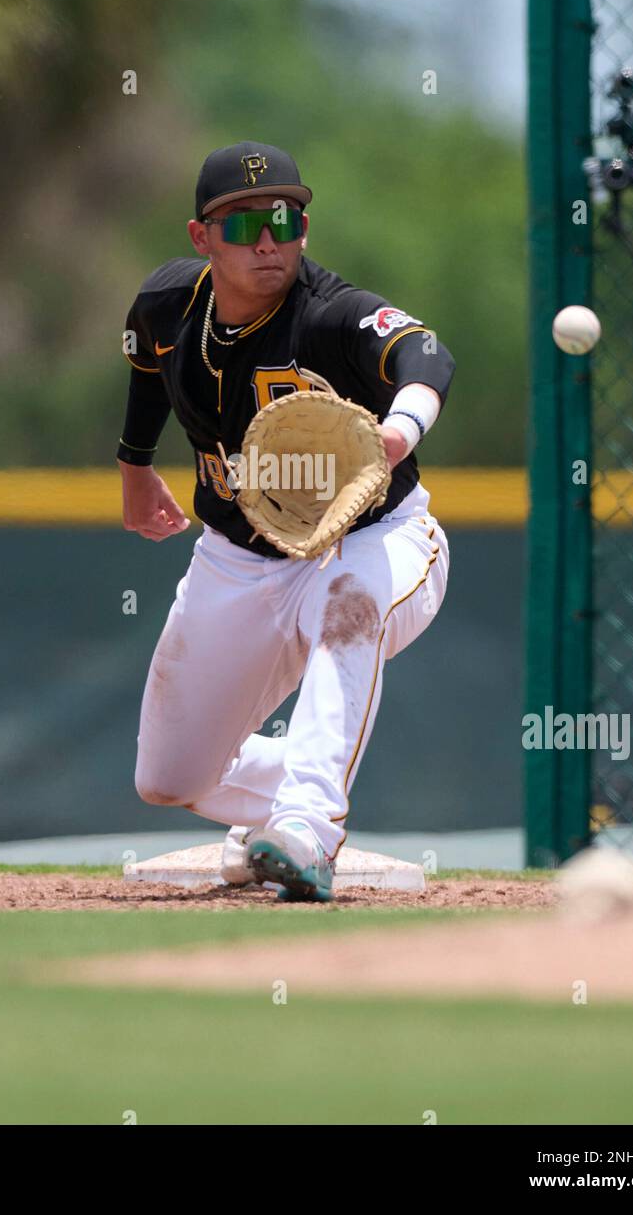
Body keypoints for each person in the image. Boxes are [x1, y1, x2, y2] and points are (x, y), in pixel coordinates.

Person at [118, 141, 454, 901]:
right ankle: (292, 787)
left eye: (285, 218)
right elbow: (146, 356)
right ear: (201, 238)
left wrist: (400, 427)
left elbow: (428, 352)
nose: (268, 239)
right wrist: (135, 466)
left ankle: (308, 828)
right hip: (238, 557)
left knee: (348, 610)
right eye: (242, 226)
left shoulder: (330, 312)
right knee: (169, 778)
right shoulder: (170, 301)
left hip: (376, 538)